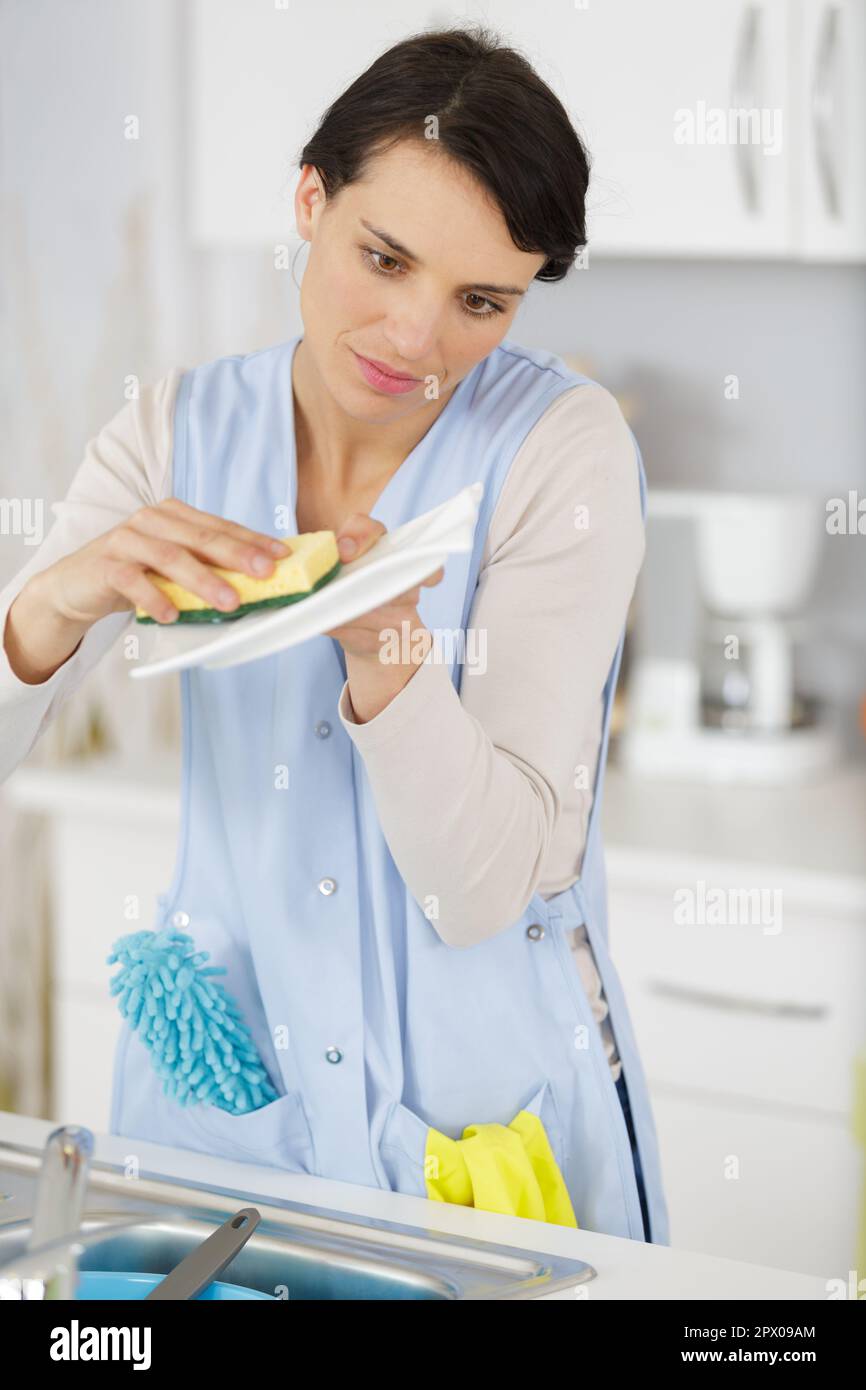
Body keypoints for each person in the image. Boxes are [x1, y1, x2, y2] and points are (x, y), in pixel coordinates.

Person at [0, 25, 667, 1243]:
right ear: (309, 200)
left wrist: (385, 651)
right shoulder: (174, 429)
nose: (417, 342)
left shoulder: (561, 452)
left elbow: (477, 888)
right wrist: (51, 606)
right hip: (227, 1112)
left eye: (480, 302)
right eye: (382, 256)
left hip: (481, 1123)